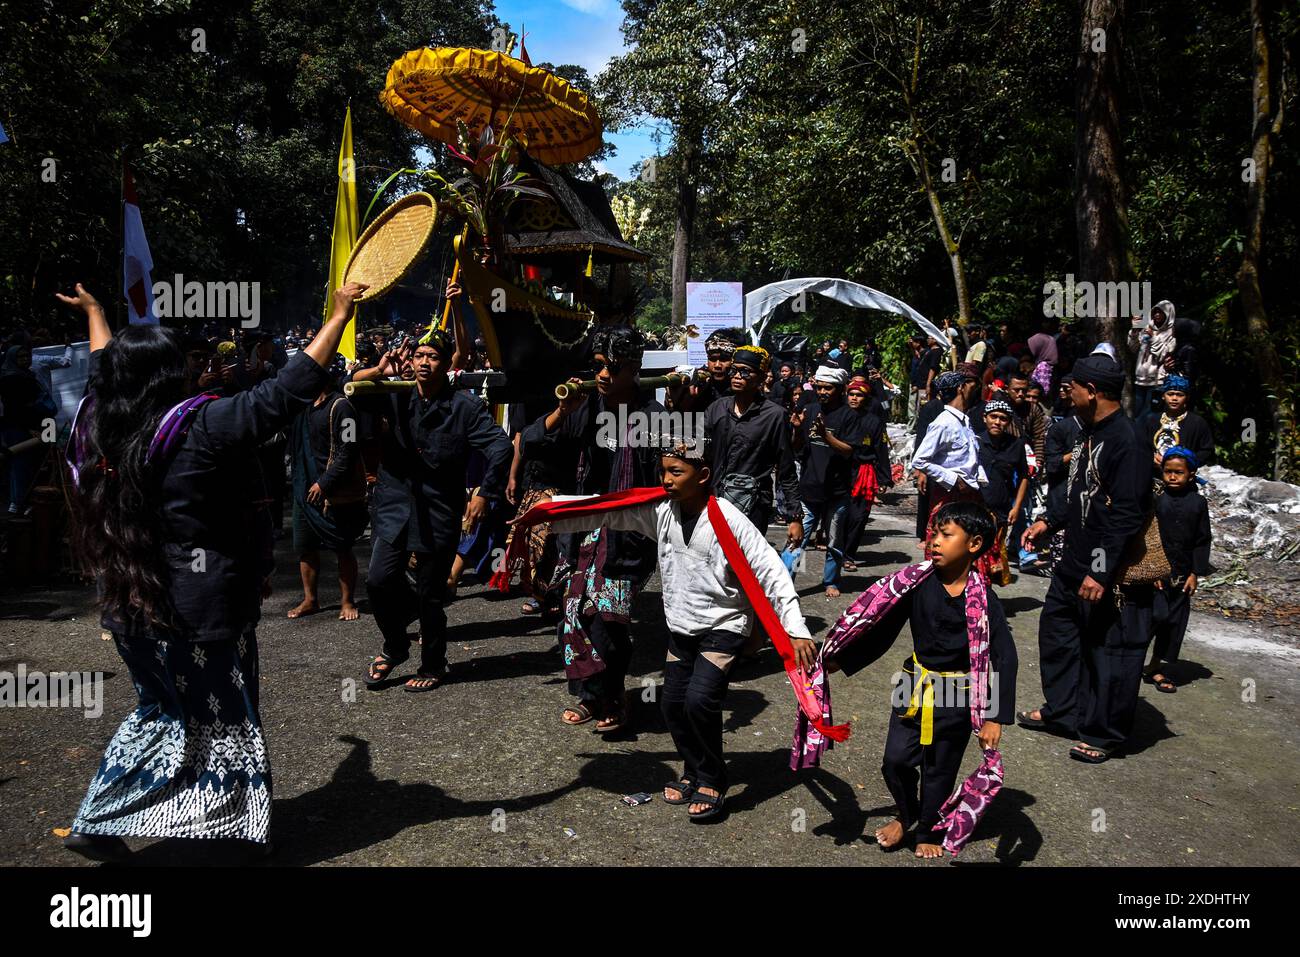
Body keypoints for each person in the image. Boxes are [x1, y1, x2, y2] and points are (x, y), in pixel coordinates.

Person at [58, 280, 367, 861]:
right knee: (224, 718)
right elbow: (285, 392)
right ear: (165, 376)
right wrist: (339, 315)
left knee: (158, 712)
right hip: (200, 612)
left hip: (129, 608)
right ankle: (229, 833)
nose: (196, 370)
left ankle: (99, 820)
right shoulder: (201, 426)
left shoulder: (101, 422)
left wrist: (97, 314)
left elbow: (104, 367)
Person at [505, 438, 818, 822]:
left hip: (724, 626)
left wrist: (796, 629)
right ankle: (692, 769)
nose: (666, 479)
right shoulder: (662, 512)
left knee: (699, 701)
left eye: (676, 472)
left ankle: (713, 779)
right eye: (663, 471)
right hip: (682, 627)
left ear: (702, 476)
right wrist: (547, 513)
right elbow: (607, 511)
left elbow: (770, 571)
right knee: (670, 704)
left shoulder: (730, 519)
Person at [809, 502, 1017, 857]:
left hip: (957, 693)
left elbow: (1005, 658)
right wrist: (839, 661)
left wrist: (995, 716)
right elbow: (882, 629)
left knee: (940, 768)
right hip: (913, 684)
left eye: (946, 535)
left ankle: (929, 831)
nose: (934, 541)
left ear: (974, 544)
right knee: (895, 761)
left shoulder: (985, 601)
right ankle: (906, 815)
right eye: (934, 533)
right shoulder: (915, 584)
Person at [520, 326, 664, 733]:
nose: (603, 375)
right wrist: (562, 412)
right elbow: (531, 443)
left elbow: (675, 475)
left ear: (633, 369)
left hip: (629, 534)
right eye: (598, 365)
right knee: (572, 612)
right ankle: (589, 694)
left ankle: (612, 694)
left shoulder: (654, 415)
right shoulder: (583, 406)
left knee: (609, 617)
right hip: (580, 530)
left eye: (613, 367)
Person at [357, 324, 512, 693]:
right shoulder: (393, 394)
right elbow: (351, 388)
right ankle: (395, 645)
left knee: (430, 593)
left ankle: (434, 662)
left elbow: (500, 447)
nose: (424, 363)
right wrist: (377, 373)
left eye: (433, 357)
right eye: (419, 356)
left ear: (446, 365)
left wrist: (484, 494)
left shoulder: (463, 407)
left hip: (439, 507)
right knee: (378, 580)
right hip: (395, 506)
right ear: (410, 360)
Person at [1020, 353, 1154, 763]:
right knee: (1058, 634)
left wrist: (1100, 571)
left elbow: (1127, 514)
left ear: (1092, 392)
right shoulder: (1087, 432)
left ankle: (1103, 733)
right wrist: (1049, 521)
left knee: (1108, 651)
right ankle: (1064, 711)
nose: (1067, 393)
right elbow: (1079, 491)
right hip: (1071, 561)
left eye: (1072, 387)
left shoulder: (1127, 442)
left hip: (1105, 572)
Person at [286, 371, 368, 621]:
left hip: (333, 492)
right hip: (304, 490)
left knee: (342, 546)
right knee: (305, 547)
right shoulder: (302, 407)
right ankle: (310, 599)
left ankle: (347, 600)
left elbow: (349, 449)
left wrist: (324, 482)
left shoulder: (342, 407)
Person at [703, 344, 802, 543]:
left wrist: (795, 517)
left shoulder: (774, 415)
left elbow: (786, 468)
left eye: (745, 371)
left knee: (743, 567)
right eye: (734, 370)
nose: (737, 376)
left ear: (762, 376)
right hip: (713, 504)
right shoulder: (717, 409)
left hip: (752, 509)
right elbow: (697, 453)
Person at [785, 365, 864, 597]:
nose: (822, 392)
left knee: (834, 541)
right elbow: (797, 447)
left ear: (840, 389)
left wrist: (826, 436)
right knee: (796, 539)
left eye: (828, 388)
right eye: (819, 387)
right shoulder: (809, 410)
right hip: (809, 489)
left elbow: (849, 451)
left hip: (837, 491)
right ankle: (785, 581)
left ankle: (831, 580)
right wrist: (798, 430)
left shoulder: (849, 416)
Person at [1143, 447, 1211, 694]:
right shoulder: (1156, 500)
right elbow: (1148, 536)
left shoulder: (1198, 503)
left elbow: (1202, 539)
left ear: (1191, 474)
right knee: (1153, 617)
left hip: (1182, 576)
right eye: (1167, 471)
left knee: (1173, 623)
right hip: (1155, 575)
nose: (1172, 476)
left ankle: (1155, 666)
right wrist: (1152, 569)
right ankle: (1131, 661)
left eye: (1178, 472)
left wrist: (1195, 572)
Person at [910, 369, 986, 546]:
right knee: (947, 546)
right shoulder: (943, 422)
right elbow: (920, 460)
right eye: (968, 383)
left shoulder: (964, 421)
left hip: (969, 494)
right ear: (961, 388)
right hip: (949, 495)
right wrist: (953, 479)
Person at [835, 375, 892, 571]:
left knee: (858, 516)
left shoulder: (874, 422)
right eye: (851, 394)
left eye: (859, 395)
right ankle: (835, 552)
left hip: (863, 472)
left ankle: (849, 554)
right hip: (839, 471)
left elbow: (881, 450)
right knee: (838, 515)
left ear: (865, 398)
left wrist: (884, 477)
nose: (854, 398)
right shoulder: (838, 416)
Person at [976, 398, 1029, 586]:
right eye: (993, 417)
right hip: (976, 508)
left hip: (1001, 511)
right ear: (985, 418)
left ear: (1008, 422)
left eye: (1003, 418)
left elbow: (1024, 476)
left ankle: (985, 596)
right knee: (974, 556)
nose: (997, 422)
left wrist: (1017, 507)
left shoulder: (1016, 445)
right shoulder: (975, 441)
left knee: (993, 558)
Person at [1139, 375, 1214, 477]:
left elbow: (1207, 451)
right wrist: (1151, 457)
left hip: (1183, 479)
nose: (1174, 398)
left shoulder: (1197, 423)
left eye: (1179, 395)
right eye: (1170, 394)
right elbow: (1140, 446)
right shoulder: (1151, 420)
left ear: (1187, 397)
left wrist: (1186, 462)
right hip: (1152, 475)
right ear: (1163, 396)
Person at [1128, 300, 1177, 417]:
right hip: (1140, 379)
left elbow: (1163, 355)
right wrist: (1134, 330)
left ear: (1168, 314)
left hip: (1157, 381)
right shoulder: (1146, 328)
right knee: (1136, 413)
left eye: (1161, 313)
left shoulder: (1171, 335)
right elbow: (1133, 348)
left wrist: (1153, 337)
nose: (1157, 315)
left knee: (1148, 415)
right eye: (1155, 312)